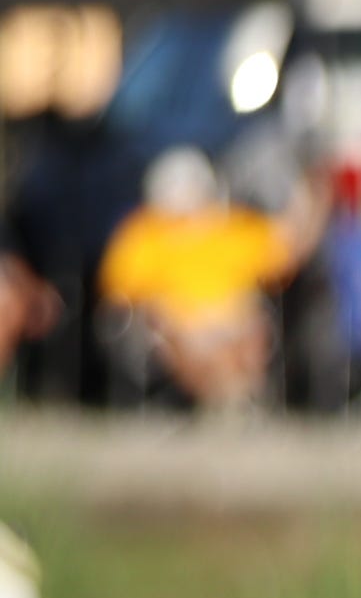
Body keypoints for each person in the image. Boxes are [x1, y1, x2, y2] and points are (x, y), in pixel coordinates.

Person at [95, 146, 311, 415]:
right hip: (175, 329)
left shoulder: (233, 230)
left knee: (251, 324)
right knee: (179, 330)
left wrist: (308, 194)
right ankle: (228, 401)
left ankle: (235, 400)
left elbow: (286, 250)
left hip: (234, 324)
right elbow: (119, 293)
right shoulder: (142, 236)